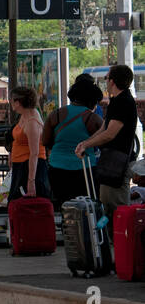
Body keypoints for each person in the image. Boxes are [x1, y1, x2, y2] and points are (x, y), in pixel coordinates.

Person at [76, 63, 141, 224]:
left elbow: (110, 133)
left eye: (106, 78)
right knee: (107, 205)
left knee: (116, 208)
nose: (105, 81)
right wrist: (85, 143)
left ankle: (120, 243)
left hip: (118, 163)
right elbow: (105, 127)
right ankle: (114, 243)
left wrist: (87, 145)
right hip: (111, 162)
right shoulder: (117, 101)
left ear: (112, 81)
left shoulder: (123, 102)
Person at [42, 74, 103, 210]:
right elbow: (104, 140)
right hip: (84, 168)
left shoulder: (55, 114)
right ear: (92, 101)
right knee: (86, 207)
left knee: (64, 206)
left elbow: (45, 140)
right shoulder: (93, 119)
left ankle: (66, 229)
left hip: (57, 167)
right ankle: (85, 231)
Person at [8, 86, 50, 201]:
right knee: (16, 202)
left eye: (11, 100)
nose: (10, 102)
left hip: (29, 167)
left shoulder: (32, 121)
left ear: (17, 102)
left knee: (24, 203)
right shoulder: (24, 115)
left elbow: (34, 153)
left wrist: (31, 181)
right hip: (20, 165)